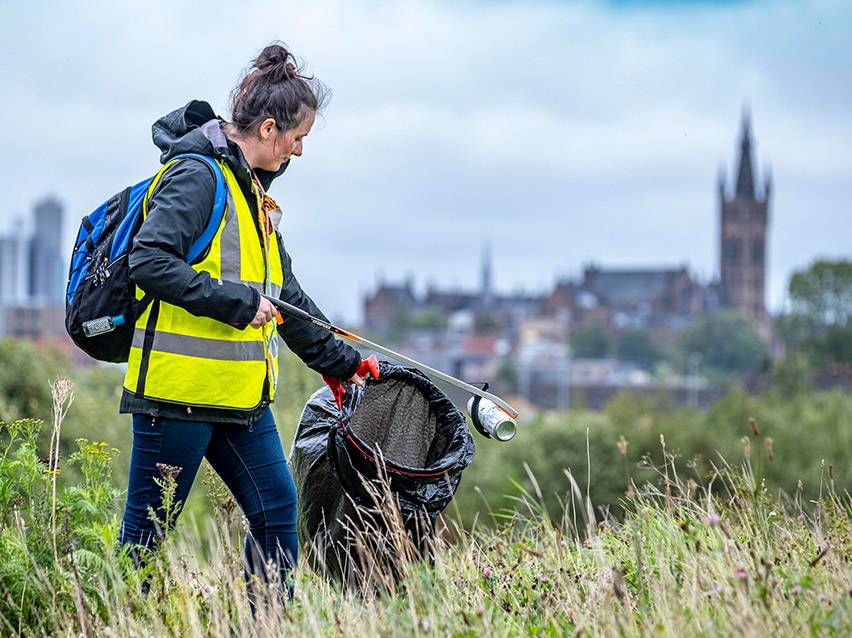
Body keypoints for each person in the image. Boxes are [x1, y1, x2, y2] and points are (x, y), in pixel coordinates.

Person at [117, 43, 364, 604]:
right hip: (176, 398)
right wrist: (236, 303)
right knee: (145, 540)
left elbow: (286, 298)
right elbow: (148, 260)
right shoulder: (197, 178)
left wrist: (344, 363)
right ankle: (110, 621)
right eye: (298, 137)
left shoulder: (255, 197)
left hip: (241, 401)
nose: (300, 150)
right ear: (270, 128)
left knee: (277, 513)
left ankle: (267, 626)